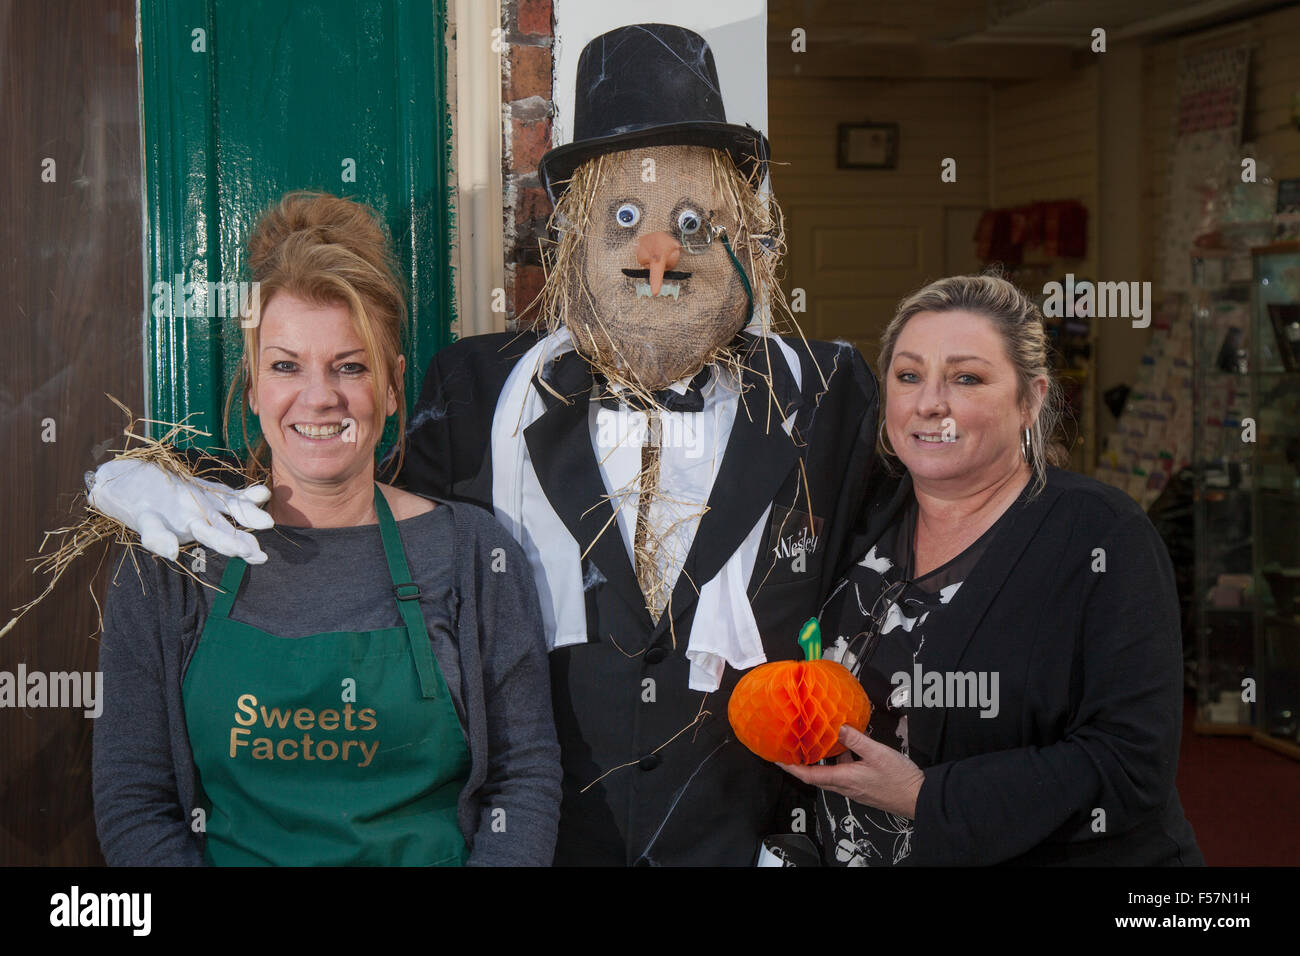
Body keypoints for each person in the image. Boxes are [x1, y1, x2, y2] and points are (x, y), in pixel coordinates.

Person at [87, 24, 877, 866]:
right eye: (624, 215)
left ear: (739, 225)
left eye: (690, 219)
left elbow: (912, 557)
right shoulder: (482, 391)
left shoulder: (822, 396)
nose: (658, 252)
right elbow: (326, 484)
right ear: (574, 231)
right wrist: (143, 475)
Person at [91, 192, 561, 866]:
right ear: (251, 385)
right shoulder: (172, 561)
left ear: (394, 387)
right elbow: (134, 802)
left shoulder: (472, 555)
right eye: (286, 366)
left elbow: (525, 782)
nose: (320, 397)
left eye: (351, 366)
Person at [782, 273, 1204, 866]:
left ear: (1030, 398)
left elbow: (1130, 764)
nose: (930, 403)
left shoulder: (1101, 535)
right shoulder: (864, 513)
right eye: (908, 376)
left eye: (966, 378)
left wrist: (925, 798)